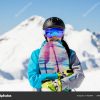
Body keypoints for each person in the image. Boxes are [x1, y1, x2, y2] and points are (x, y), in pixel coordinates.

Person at [27, 17, 85, 92]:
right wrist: (58, 75)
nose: (54, 37)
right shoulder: (36, 54)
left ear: (62, 35)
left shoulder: (70, 54)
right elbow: (33, 80)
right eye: (50, 33)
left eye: (58, 32)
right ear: (45, 35)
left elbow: (79, 75)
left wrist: (61, 84)